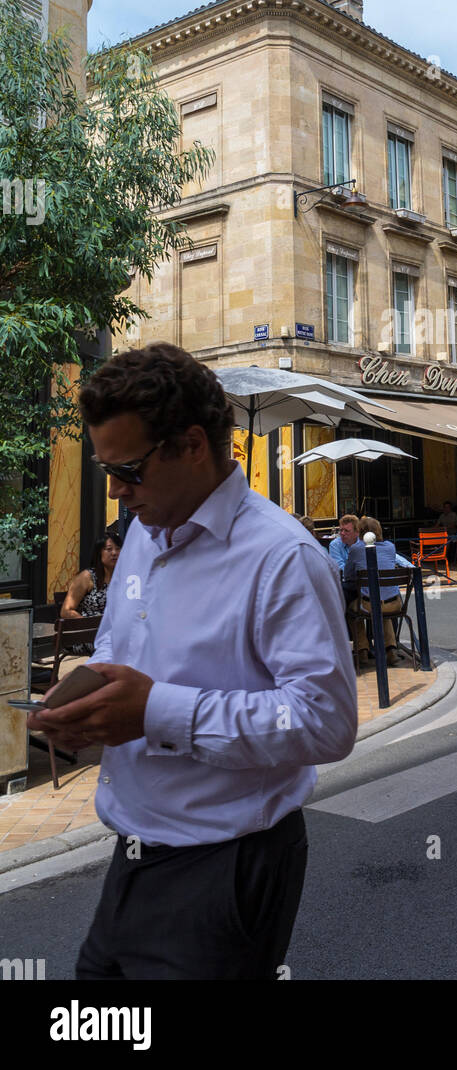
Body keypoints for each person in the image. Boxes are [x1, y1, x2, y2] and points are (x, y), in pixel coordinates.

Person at [28, 341, 357, 981]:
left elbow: (326, 722)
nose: (118, 492)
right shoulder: (146, 536)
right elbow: (117, 651)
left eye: (129, 469)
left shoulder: (281, 557)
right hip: (132, 853)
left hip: (226, 865)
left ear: (192, 445)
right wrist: (88, 707)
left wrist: (154, 711)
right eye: (106, 472)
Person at [343, 516, 413, 665]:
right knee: (382, 608)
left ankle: (362, 650)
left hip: (369, 606)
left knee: (351, 611)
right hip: (395, 603)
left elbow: (348, 575)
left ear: (361, 532)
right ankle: (391, 649)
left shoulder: (356, 549)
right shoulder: (390, 547)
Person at [60, 532, 122, 656]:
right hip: (86, 636)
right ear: (99, 553)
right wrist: (90, 627)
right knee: (119, 648)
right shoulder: (87, 577)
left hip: (114, 633)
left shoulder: (123, 578)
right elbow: (66, 611)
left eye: (118, 549)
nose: (114, 553)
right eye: (109, 549)